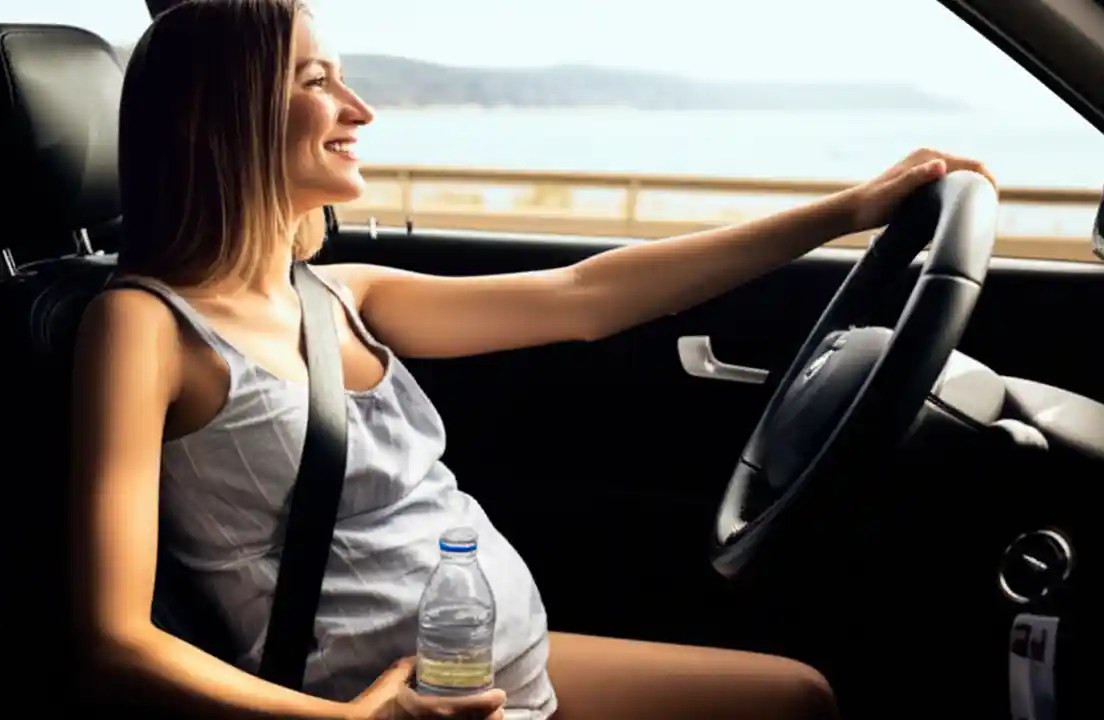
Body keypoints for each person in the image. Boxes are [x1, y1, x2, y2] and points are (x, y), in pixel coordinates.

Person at [68, 1, 996, 718]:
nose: (360, 108)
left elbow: (588, 297)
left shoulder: (338, 293)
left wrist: (846, 211)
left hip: (510, 670)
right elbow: (111, 639)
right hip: (376, 706)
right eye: (317, 81)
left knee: (799, 697)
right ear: (213, 121)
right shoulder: (146, 330)